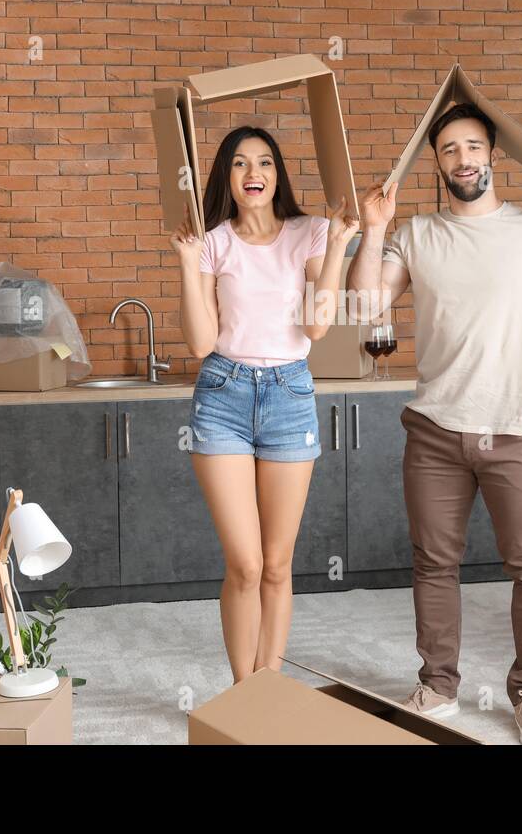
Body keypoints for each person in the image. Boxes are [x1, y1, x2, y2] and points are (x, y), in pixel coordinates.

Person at [345, 102, 522, 744]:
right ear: (437, 162)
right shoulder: (416, 234)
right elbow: (364, 308)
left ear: (493, 155)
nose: (463, 159)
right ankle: (438, 685)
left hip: (515, 428)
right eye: (448, 150)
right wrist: (371, 228)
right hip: (435, 431)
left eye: (473, 147)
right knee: (433, 564)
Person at [171, 125, 359, 682]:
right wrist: (186, 261)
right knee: (246, 564)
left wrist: (342, 243)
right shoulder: (212, 241)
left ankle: (267, 689)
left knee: (277, 566)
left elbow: (319, 325)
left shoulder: (310, 232)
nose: (254, 173)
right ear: (226, 177)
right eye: (239, 164)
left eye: (266, 163)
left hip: (289, 396)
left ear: (278, 175)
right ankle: (243, 690)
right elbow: (200, 343)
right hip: (223, 395)